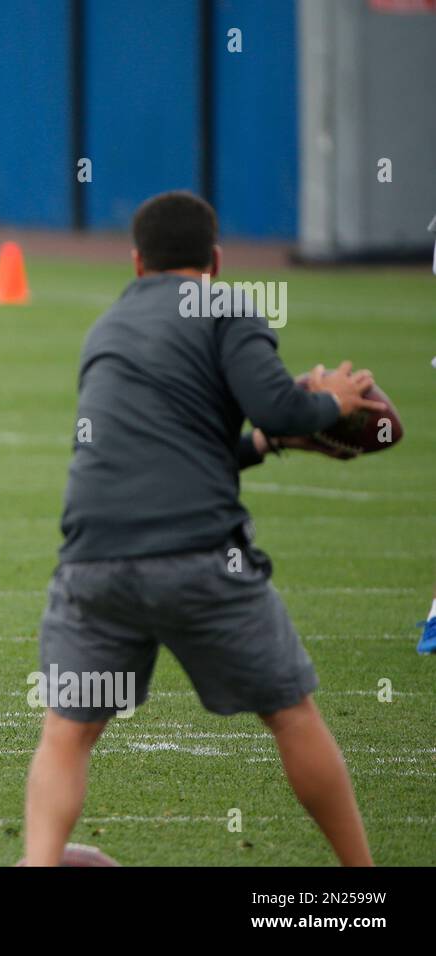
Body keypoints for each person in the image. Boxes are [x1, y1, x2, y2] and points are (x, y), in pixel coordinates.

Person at [23, 190, 383, 866]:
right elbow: (276, 403)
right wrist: (327, 401)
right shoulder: (223, 305)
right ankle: (362, 883)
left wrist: (267, 442)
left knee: (68, 731)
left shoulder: (106, 327)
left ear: (136, 264)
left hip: (92, 562)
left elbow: (181, 444)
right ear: (215, 260)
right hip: (198, 555)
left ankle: (38, 863)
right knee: (289, 712)